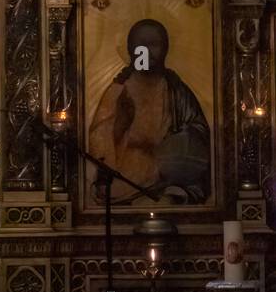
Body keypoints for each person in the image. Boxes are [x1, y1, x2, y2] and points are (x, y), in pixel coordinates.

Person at [89, 19, 211, 204]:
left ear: (166, 49)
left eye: (154, 44)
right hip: (128, 177)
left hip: (167, 176)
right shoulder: (119, 90)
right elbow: (97, 144)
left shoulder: (175, 89)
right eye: (141, 45)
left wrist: (178, 142)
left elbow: (199, 130)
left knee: (174, 196)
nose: (147, 52)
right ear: (131, 50)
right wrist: (120, 125)